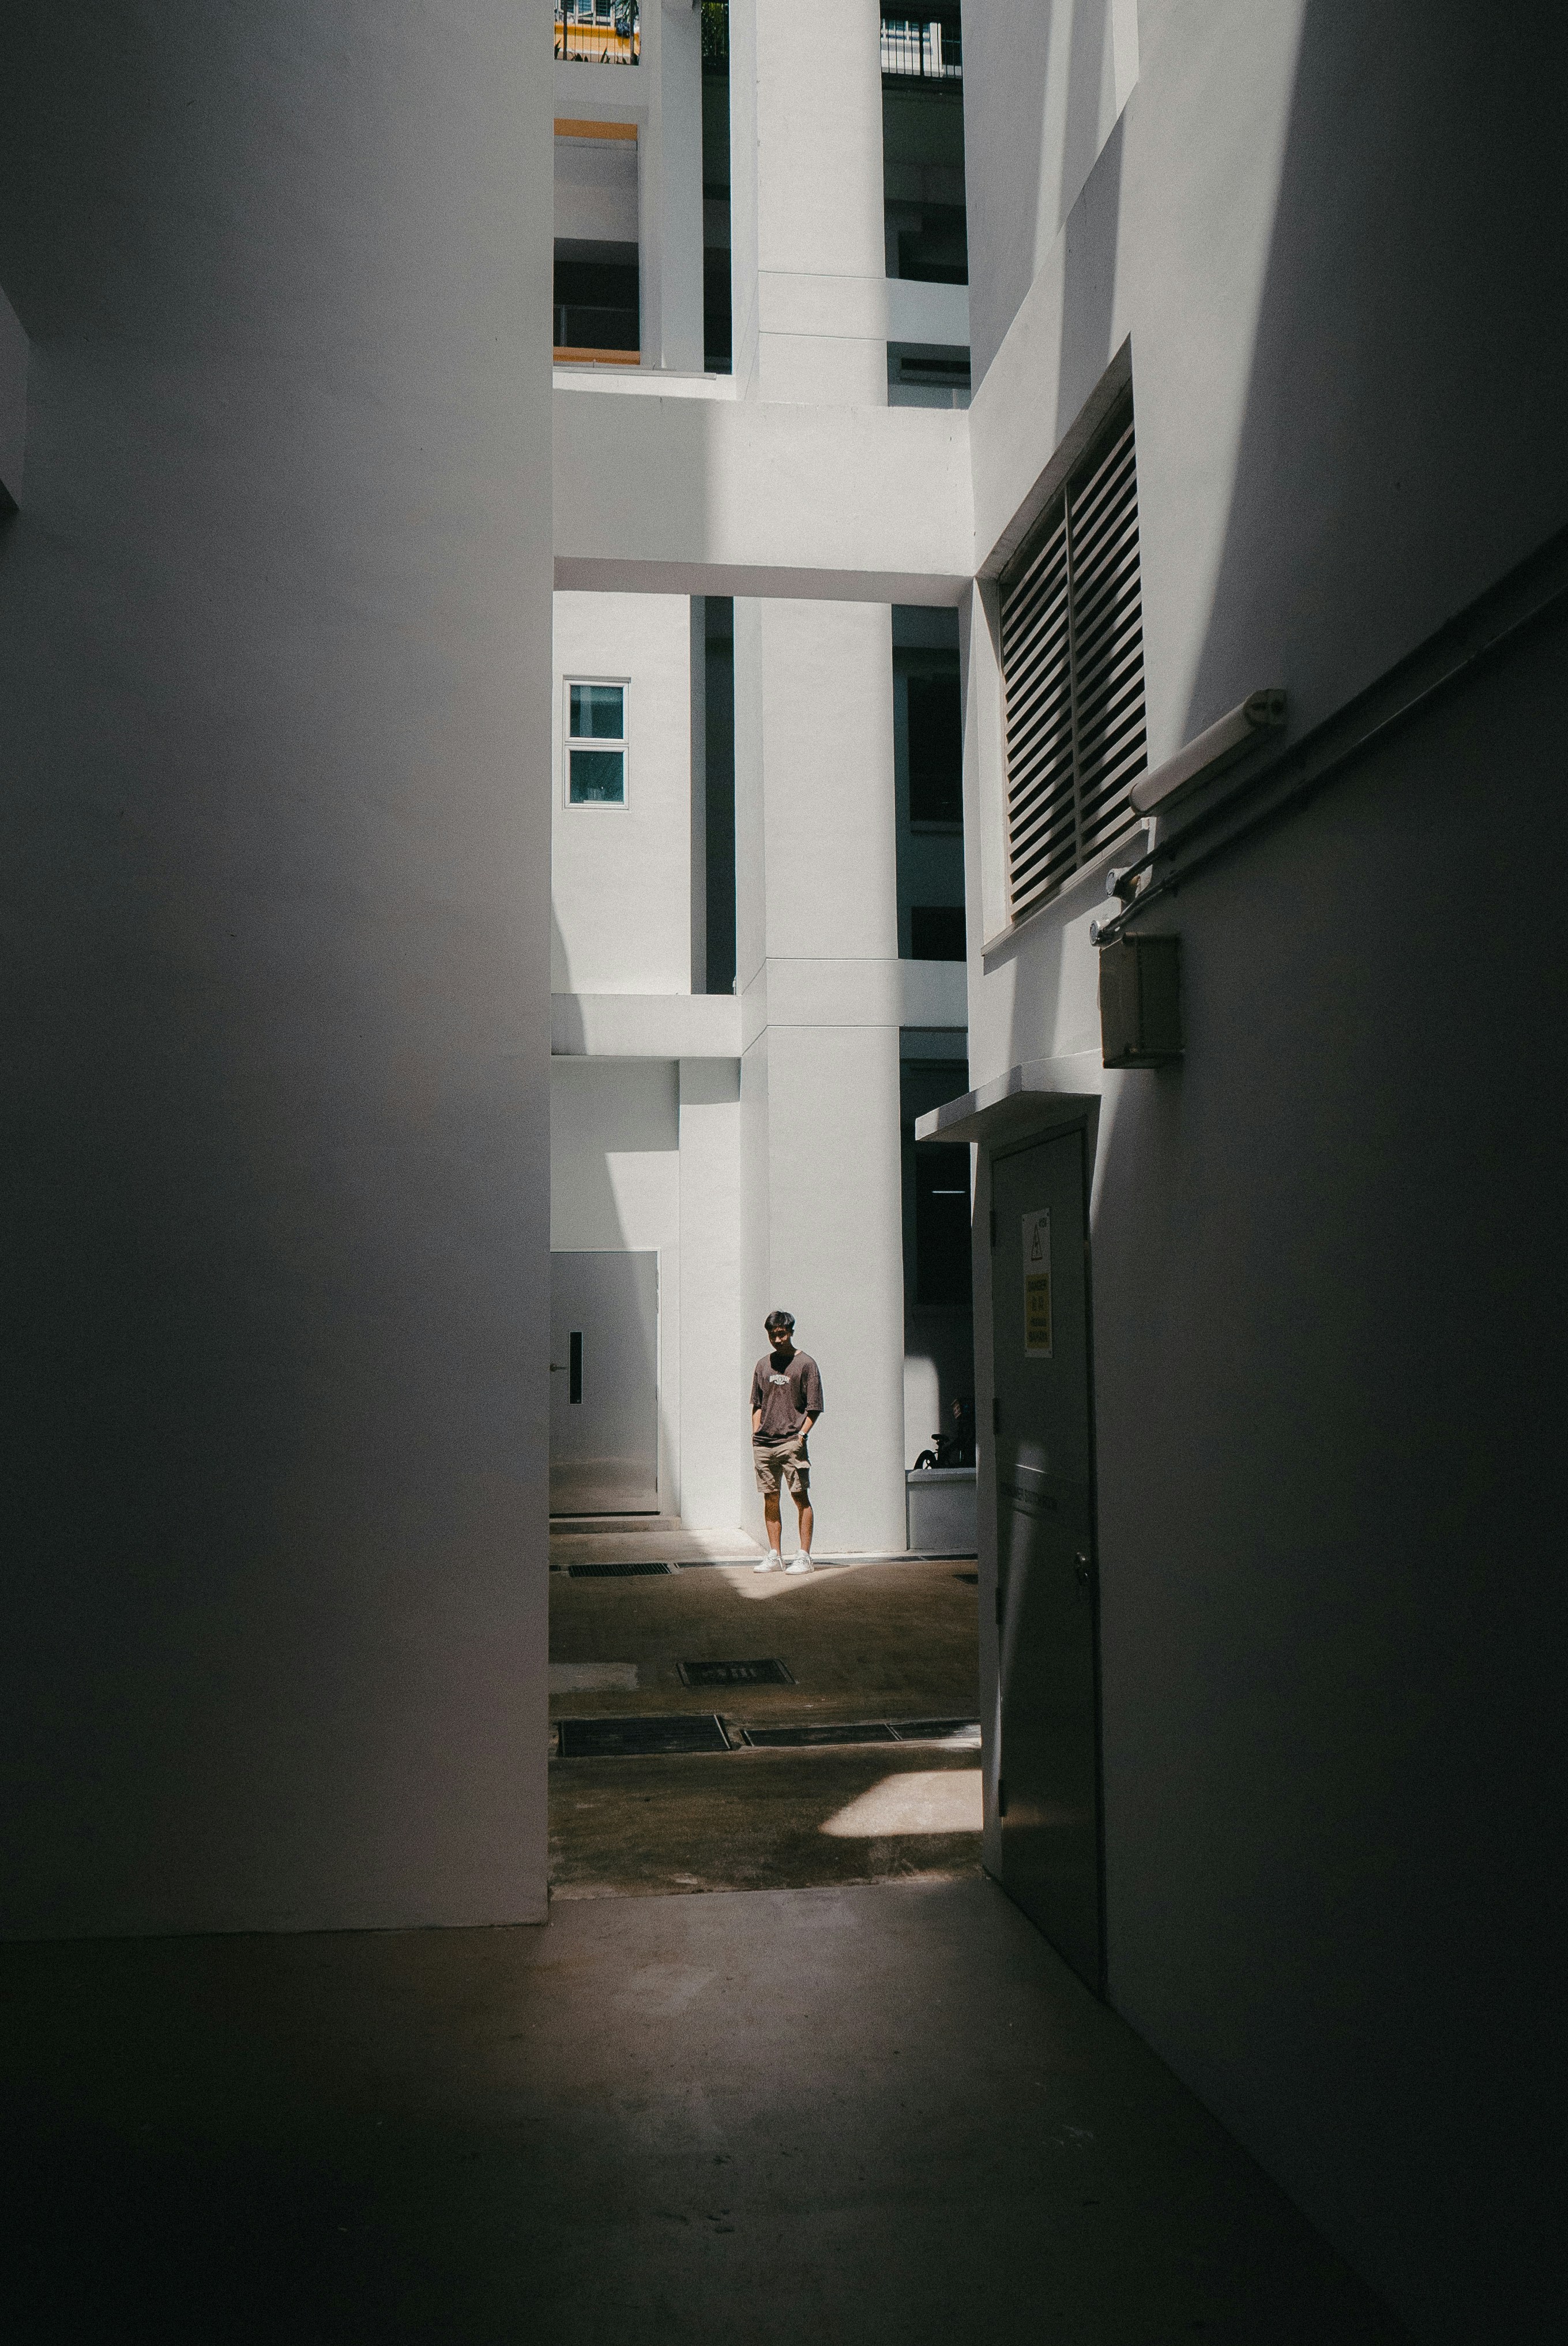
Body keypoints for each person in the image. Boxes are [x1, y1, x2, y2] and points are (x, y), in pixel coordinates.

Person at [750, 1310, 823, 1573]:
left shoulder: (806, 1365)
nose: (777, 1339)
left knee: (799, 1497)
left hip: (792, 1440)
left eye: (781, 1334)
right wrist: (756, 1433)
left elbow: (814, 1407)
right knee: (770, 1498)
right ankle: (775, 1555)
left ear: (791, 1331)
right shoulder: (762, 1365)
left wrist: (802, 1436)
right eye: (772, 1334)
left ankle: (804, 1556)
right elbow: (756, 1404)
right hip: (764, 1443)